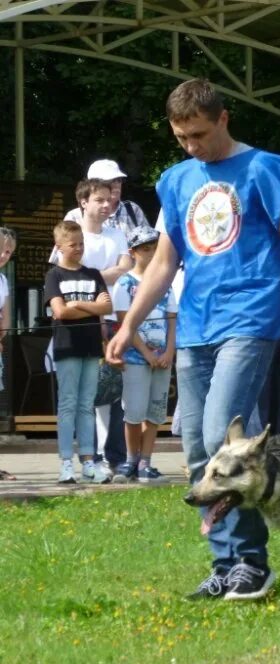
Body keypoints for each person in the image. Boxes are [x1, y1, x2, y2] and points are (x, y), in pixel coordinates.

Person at [107, 78, 280, 601]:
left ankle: (252, 563)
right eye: (181, 137)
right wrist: (130, 323)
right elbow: (165, 261)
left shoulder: (265, 170)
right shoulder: (176, 181)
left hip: (251, 316)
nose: (191, 146)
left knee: (217, 435)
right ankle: (225, 564)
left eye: (199, 135)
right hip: (196, 325)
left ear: (223, 119)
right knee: (196, 445)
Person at [53, 178, 132, 473]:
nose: (107, 204)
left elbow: (125, 269)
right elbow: (61, 292)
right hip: (74, 333)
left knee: (113, 391)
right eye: (99, 199)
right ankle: (79, 458)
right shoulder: (70, 236)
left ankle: (112, 458)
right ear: (83, 202)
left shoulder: (116, 235)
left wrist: (85, 292)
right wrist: (94, 294)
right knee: (75, 399)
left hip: (111, 322)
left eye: (110, 199)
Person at [45, 221, 113, 484]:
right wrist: (90, 306)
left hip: (91, 347)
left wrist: (76, 304)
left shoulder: (93, 274)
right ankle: (65, 462)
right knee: (68, 404)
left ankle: (88, 461)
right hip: (67, 347)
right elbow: (60, 312)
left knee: (86, 405)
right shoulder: (54, 276)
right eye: (73, 244)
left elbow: (106, 308)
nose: (78, 248)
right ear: (59, 246)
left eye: (81, 244)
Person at [110, 226, 177, 483]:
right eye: (145, 249)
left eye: (154, 249)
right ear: (133, 252)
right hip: (136, 358)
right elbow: (124, 322)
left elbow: (172, 319)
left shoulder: (165, 283)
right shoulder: (125, 283)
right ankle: (130, 460)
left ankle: (146, 462)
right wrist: (146, 353)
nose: (150, 254)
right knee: (134, 411)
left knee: (156, 411)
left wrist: (169, 350)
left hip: (162, 358)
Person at [64, 159, 151, 237]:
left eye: (119, 180)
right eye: (110, 181)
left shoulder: (132, 209)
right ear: (93, 184)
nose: (116, 184)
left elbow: (150, 244)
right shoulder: (75, 217)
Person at [0, 226, 16, 481]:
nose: (4, 255)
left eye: (8, 252)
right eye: (1, 249)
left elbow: (6, 314)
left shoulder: (3, 280)